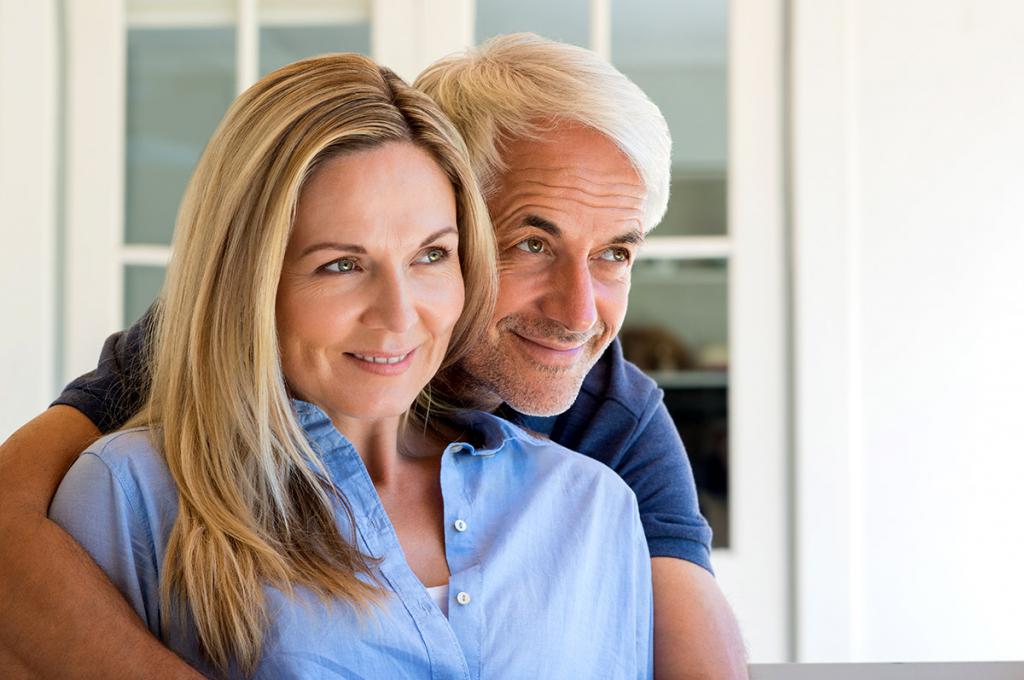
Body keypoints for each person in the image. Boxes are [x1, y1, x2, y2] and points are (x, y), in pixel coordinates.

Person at [0, 34, 744, 679]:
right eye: (531, 243)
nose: (580, 312)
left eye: (615, 251)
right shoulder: (193, 370)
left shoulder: (608, 431)